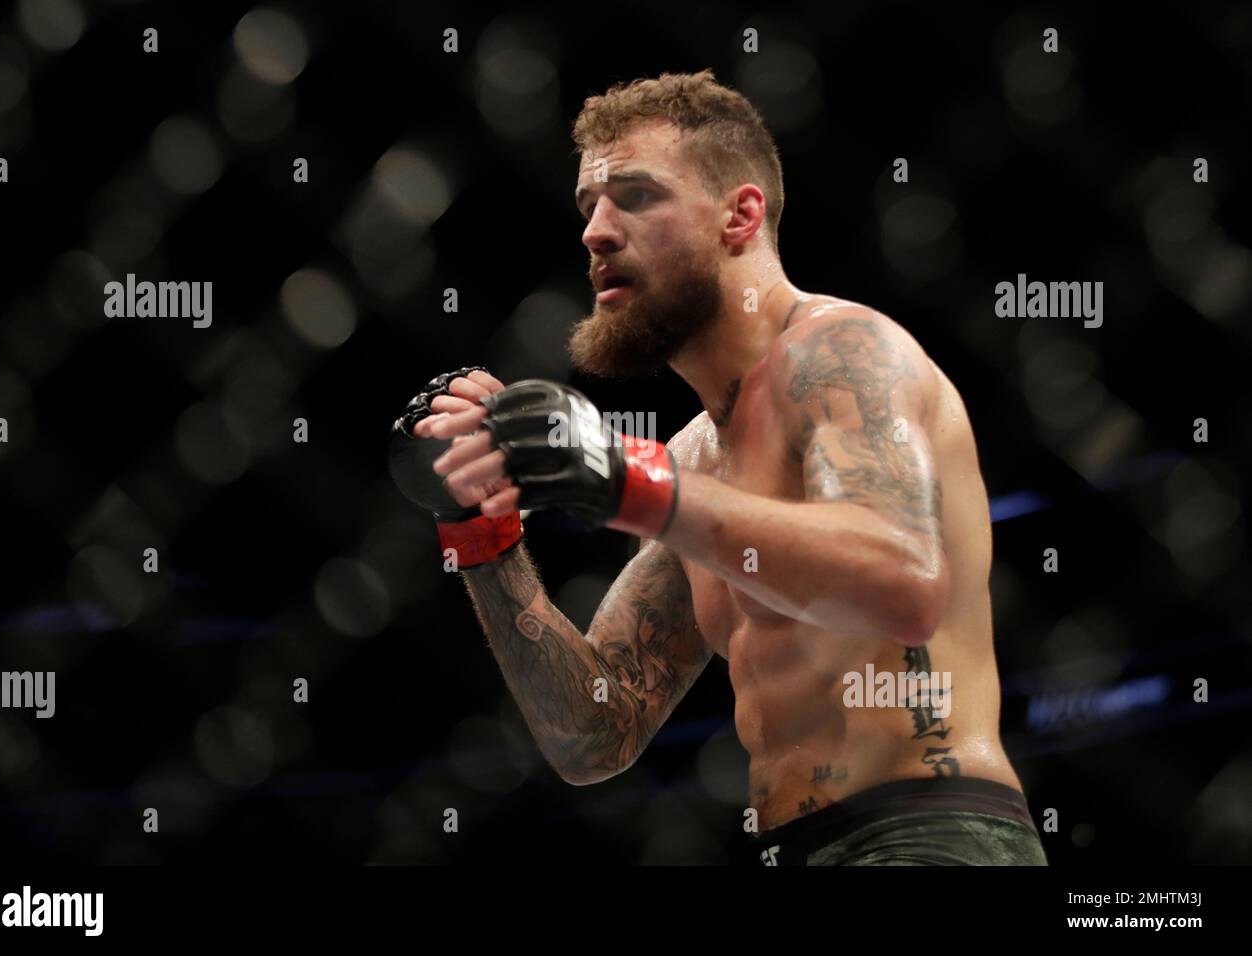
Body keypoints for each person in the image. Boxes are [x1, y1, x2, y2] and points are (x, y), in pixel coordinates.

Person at [390, 70, 1047, 865]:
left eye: (633, 196)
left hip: (930, 835)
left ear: (741, 215)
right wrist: (486, 535)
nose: (595, 232)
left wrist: (626, 482)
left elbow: (903, 582)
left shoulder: (845, 354)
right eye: (587, 206)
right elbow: (596, 732)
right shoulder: (693, 458)